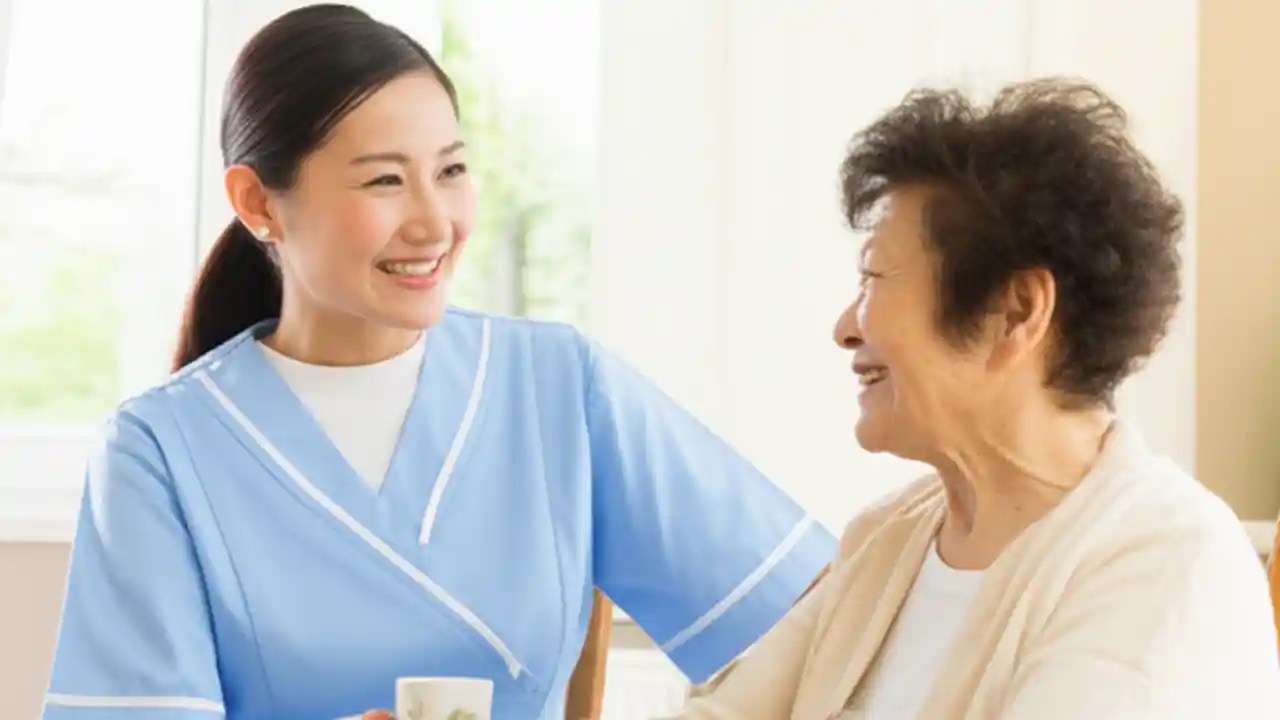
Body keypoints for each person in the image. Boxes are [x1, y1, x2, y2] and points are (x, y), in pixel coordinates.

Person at [41, 5, 834, 719]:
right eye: (385, 180)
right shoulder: (158, 450)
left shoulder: (559, 387)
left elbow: (816, 627)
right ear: (257, 203)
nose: (435, 222)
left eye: (451, 171)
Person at [678, 79, 1280, 718]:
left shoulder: (1166, 563)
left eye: (875, 278)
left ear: (1016, 312)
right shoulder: (887, 539)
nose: (845, 327)